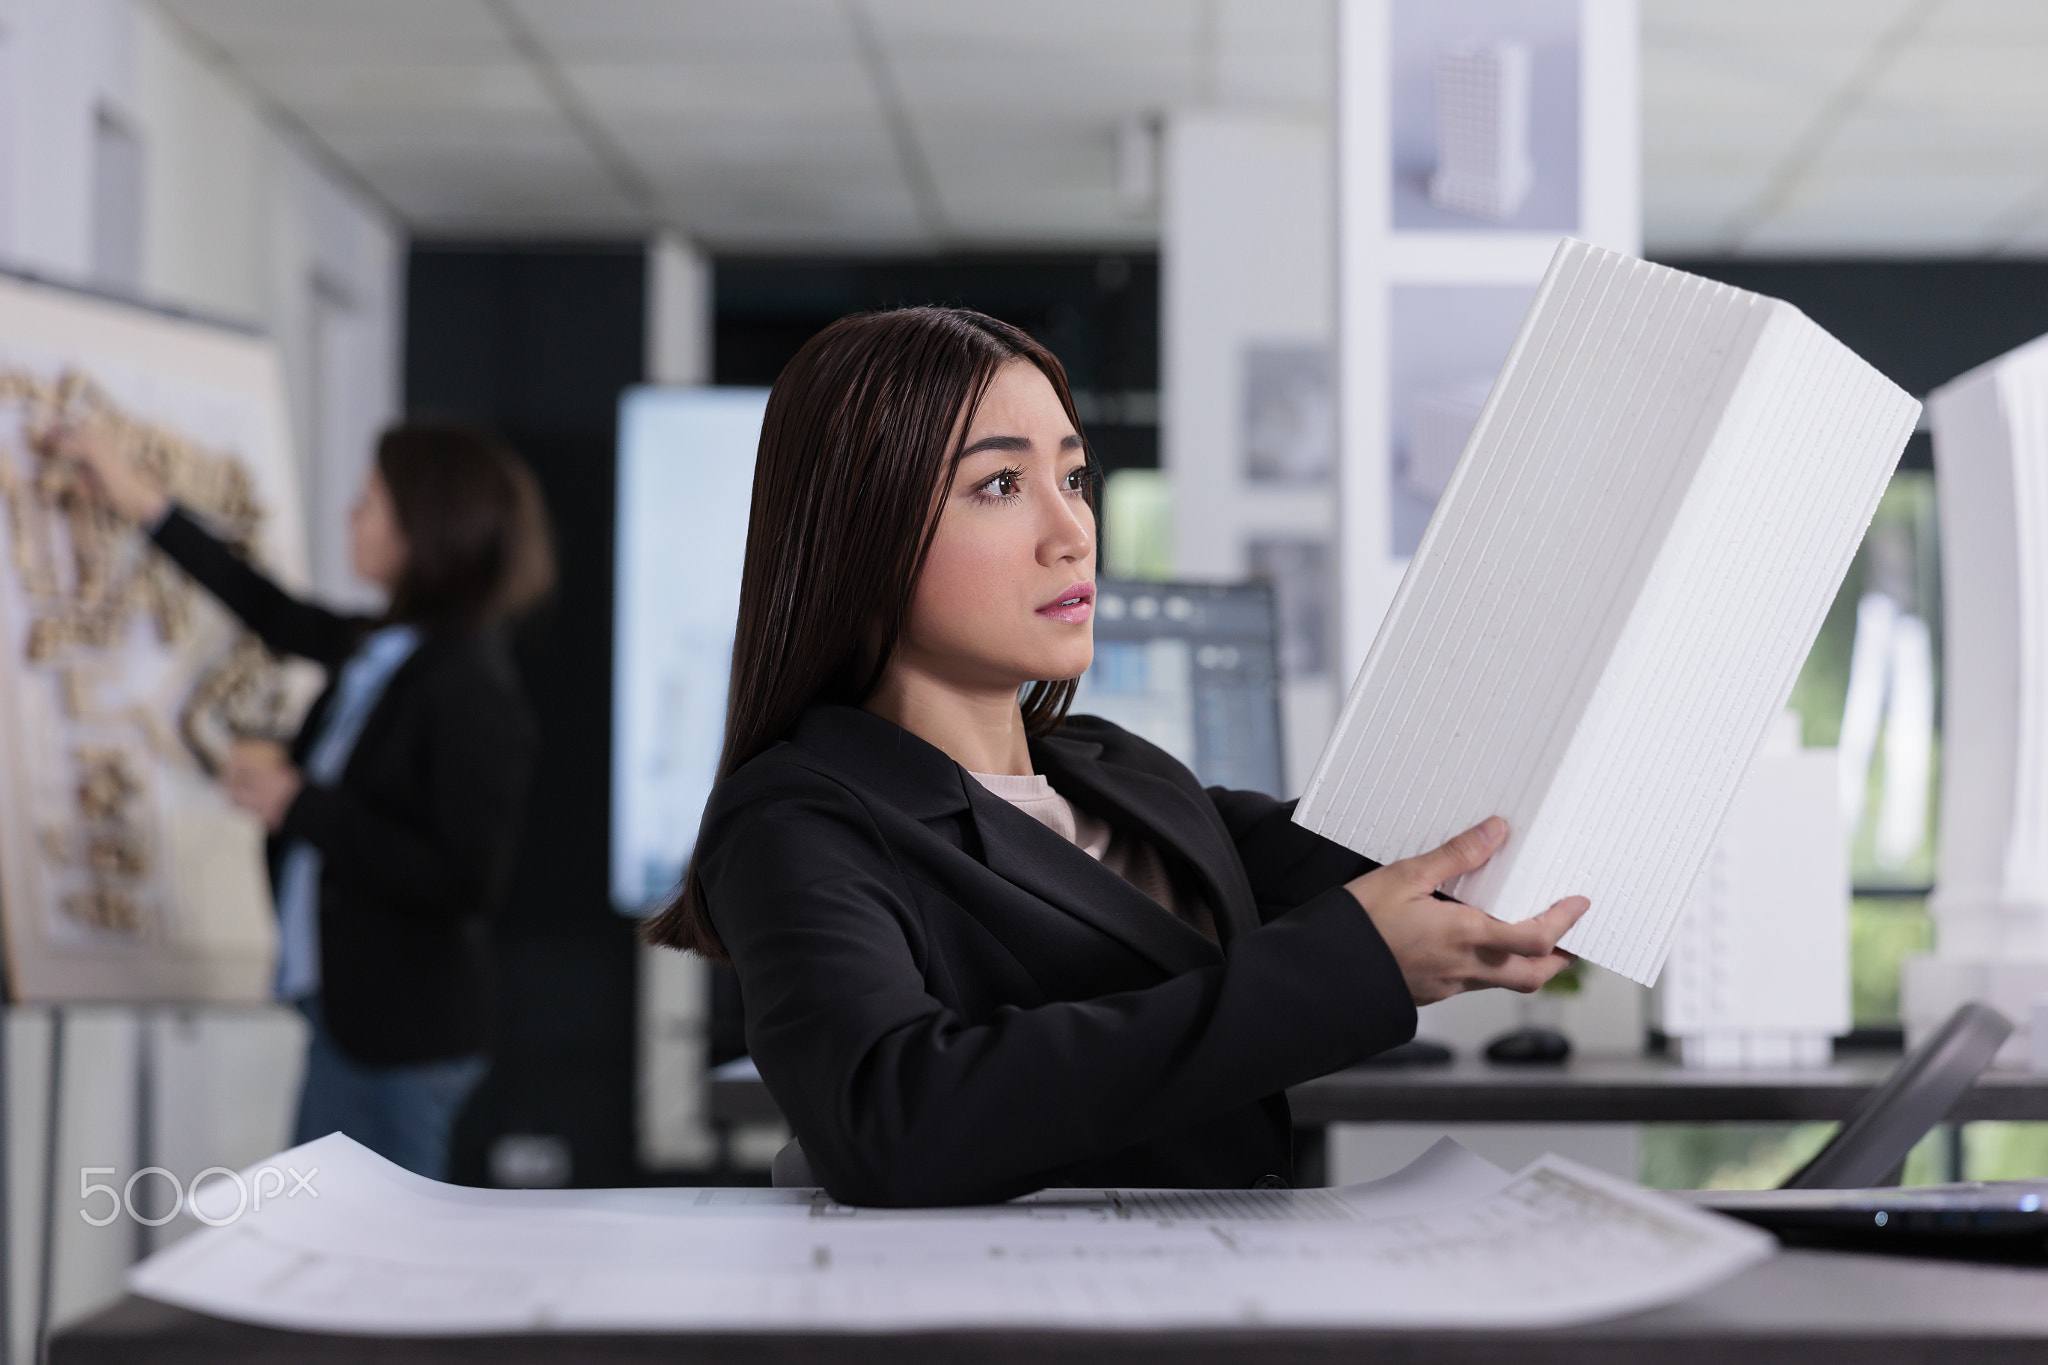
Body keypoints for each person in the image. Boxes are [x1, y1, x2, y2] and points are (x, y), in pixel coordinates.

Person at [640, 306, 1588, 1207]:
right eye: (1001, 485)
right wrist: (1347, 971)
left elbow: (1374, 857)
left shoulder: (1113, 768)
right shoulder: (797, 820)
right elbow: (894, 1118)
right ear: (865, 531)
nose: (1074, 532)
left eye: (1076, 478)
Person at [55, 419, 554, 1180]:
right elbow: (269, 609)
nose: (352, 515)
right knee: (338, 1243)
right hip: (352, 1016)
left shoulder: (469, 686)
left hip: (400, 1034)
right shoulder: (388, 646)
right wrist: (136, 498)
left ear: (427, 528)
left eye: (372, 502)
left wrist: (300, 803)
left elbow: (465, 878)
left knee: (367, 1264)